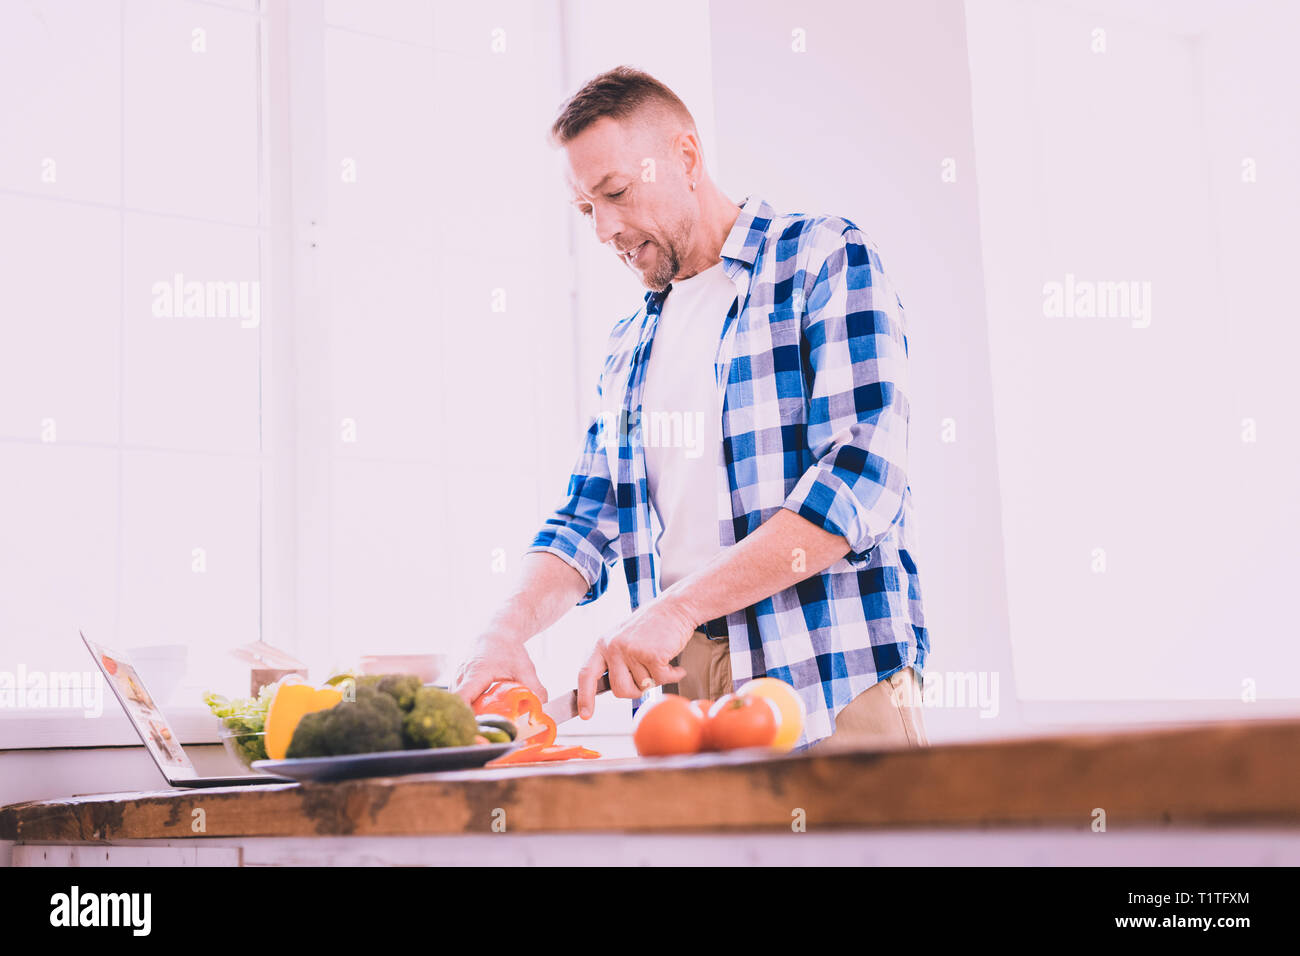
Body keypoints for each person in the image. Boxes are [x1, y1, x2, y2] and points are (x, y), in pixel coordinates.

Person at [451, 66, 929, 751]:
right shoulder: (629, 347)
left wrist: (675, 609)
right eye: (587, 209)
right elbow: (586, 519)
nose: (605, 229)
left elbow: (860, 480)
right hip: (678, 700)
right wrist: (502, 633)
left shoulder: (822, 259)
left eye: (616, 192)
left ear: (687, 156)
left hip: (828, 678)